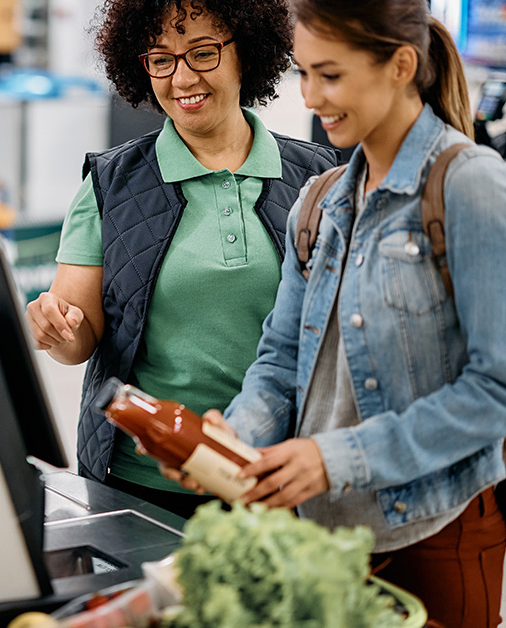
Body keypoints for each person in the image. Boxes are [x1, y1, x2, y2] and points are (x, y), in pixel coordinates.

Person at [162, 0, 506, 624]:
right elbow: (281, 358)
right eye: (304, 73)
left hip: (433, 536)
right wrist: (232, 441)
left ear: (401, 65)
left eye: (331, 75)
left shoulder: (474, 189)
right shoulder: (320, 201)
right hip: (321, 537)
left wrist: (334, 458)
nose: (312, 97)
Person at [25, 0, 337, 520]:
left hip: (277, 473)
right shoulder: (110, 184)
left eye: (203, 52)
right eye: (161, 59)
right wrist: (57, 330)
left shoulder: (319, 175)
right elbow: (79, 338)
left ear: (247, 53)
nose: (183, 78)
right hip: (142, 479)